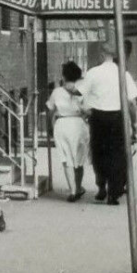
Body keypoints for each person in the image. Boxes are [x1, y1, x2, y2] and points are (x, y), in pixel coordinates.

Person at [78, 38, 137, 205]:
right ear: (114, 54)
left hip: (97, 118)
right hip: (117, 118)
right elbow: (132, 102)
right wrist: (134, 126)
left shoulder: (92, 73)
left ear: (101, 54)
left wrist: (86, 110)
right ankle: (113, 192)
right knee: (117, 155)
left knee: (98, 153)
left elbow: (80, 94)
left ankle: (101, 186)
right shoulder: (123, 74)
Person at [45, 61, 90, 202]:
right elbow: (88, 111)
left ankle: (72, 191)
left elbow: (49, 109)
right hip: (79, 124)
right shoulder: (81, 92)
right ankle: (78, 186)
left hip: (62, 124)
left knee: (66, 158)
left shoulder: (56, 92)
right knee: (79, 158)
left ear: (64, 76)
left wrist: (49, 127)